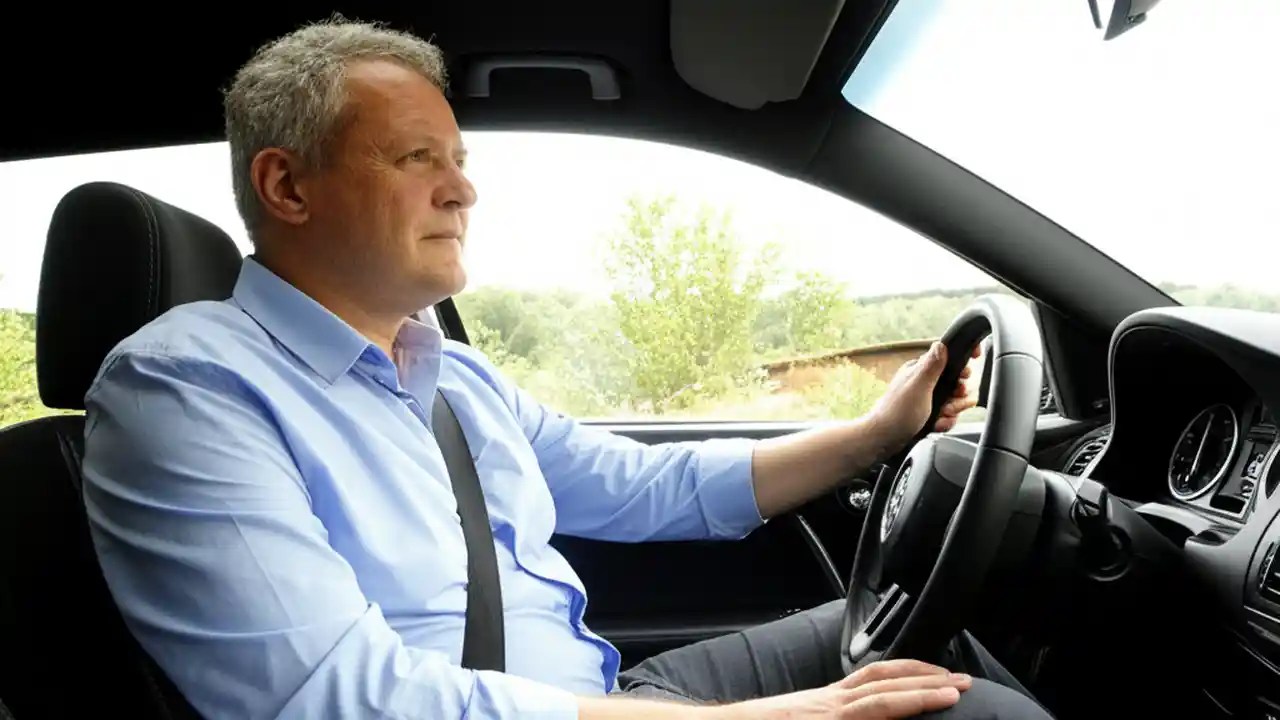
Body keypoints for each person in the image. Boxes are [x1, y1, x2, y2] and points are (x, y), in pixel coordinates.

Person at [79, 18, 1053, 720]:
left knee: (944, 628)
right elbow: (332, 699)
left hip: (603, 700)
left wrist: (877, 434)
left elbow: (642, 487)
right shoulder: (184, 388)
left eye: (456, 158)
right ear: (287, 185)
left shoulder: (449, 376)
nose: (463, 188)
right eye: (418, 158)